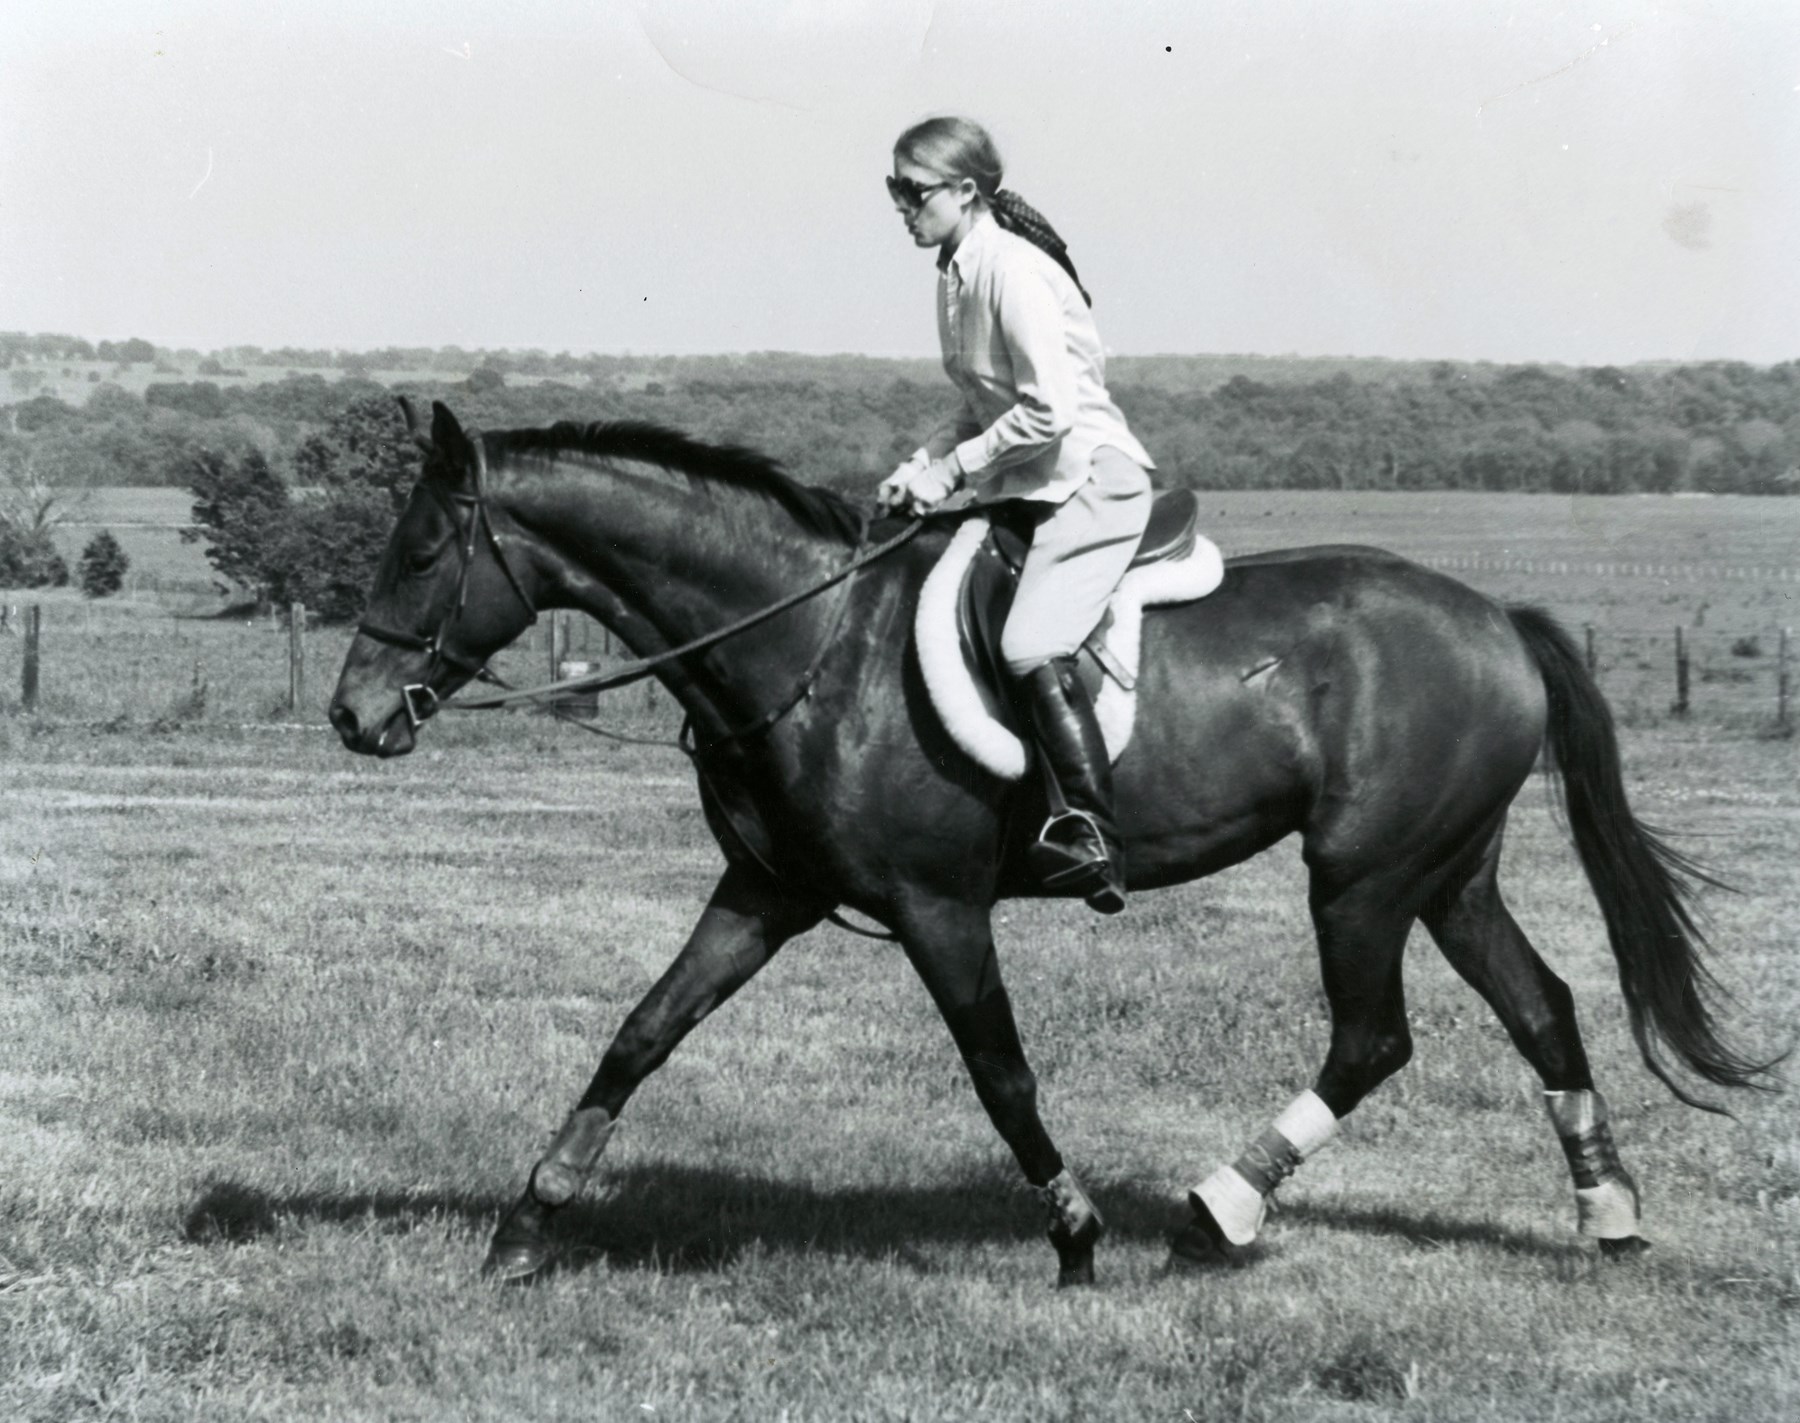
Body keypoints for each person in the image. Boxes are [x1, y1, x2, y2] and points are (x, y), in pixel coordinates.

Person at [878, 115, 1155, 915]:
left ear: (966, 190)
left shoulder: (1013, 271)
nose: (902, 206)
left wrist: (952, 470)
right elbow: (978, 404)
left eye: (914, 191)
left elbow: (1048, 412)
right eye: (893, 190)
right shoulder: (957, 270)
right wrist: (919, 465)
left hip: (1086, 480)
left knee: (1031, 642)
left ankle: (1093, 836)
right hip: (1026, 486)